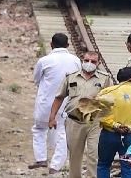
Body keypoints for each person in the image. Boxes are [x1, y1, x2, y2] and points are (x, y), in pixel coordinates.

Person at [48, 51, 112, 178]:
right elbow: (59, 97)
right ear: (82, 60)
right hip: (74, 121)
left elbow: (111, 100)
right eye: (87, 60)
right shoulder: (70, 77)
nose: (89, 64)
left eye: (93, 62)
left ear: (98, 63)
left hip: (95, 122)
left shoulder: (105, 79)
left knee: (93, 154)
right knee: (75, 155)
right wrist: (52, 117)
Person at [30, 33, 81, 172]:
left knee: (39, 129)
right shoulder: (75, 60)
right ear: (67, 45)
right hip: (67, 102)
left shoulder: (44, 61)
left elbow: (36, 79)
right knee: (63, 132)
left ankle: (41, 158)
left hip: (46, 102)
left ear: (51, 44)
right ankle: (56, 165)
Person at [96, 67, 131, 178]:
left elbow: (98, 114)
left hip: (109, 134)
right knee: (128, 167)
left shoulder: (106, 92)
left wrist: (114, 124)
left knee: (103, 164)